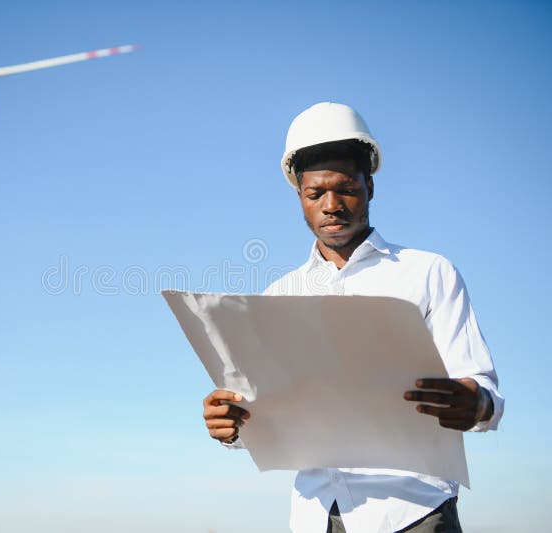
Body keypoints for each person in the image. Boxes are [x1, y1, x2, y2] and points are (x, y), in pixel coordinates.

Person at [201, 102, 504, 533]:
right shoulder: (279, 296)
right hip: (315, 514)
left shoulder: (428, 273)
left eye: (346, 189)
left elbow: (482, 391)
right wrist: (230, 425)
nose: (332, 205)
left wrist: (479, 403)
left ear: (370, 187)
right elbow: (262, 412)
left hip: (414, 511)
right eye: (315, 193)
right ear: (299, 197)